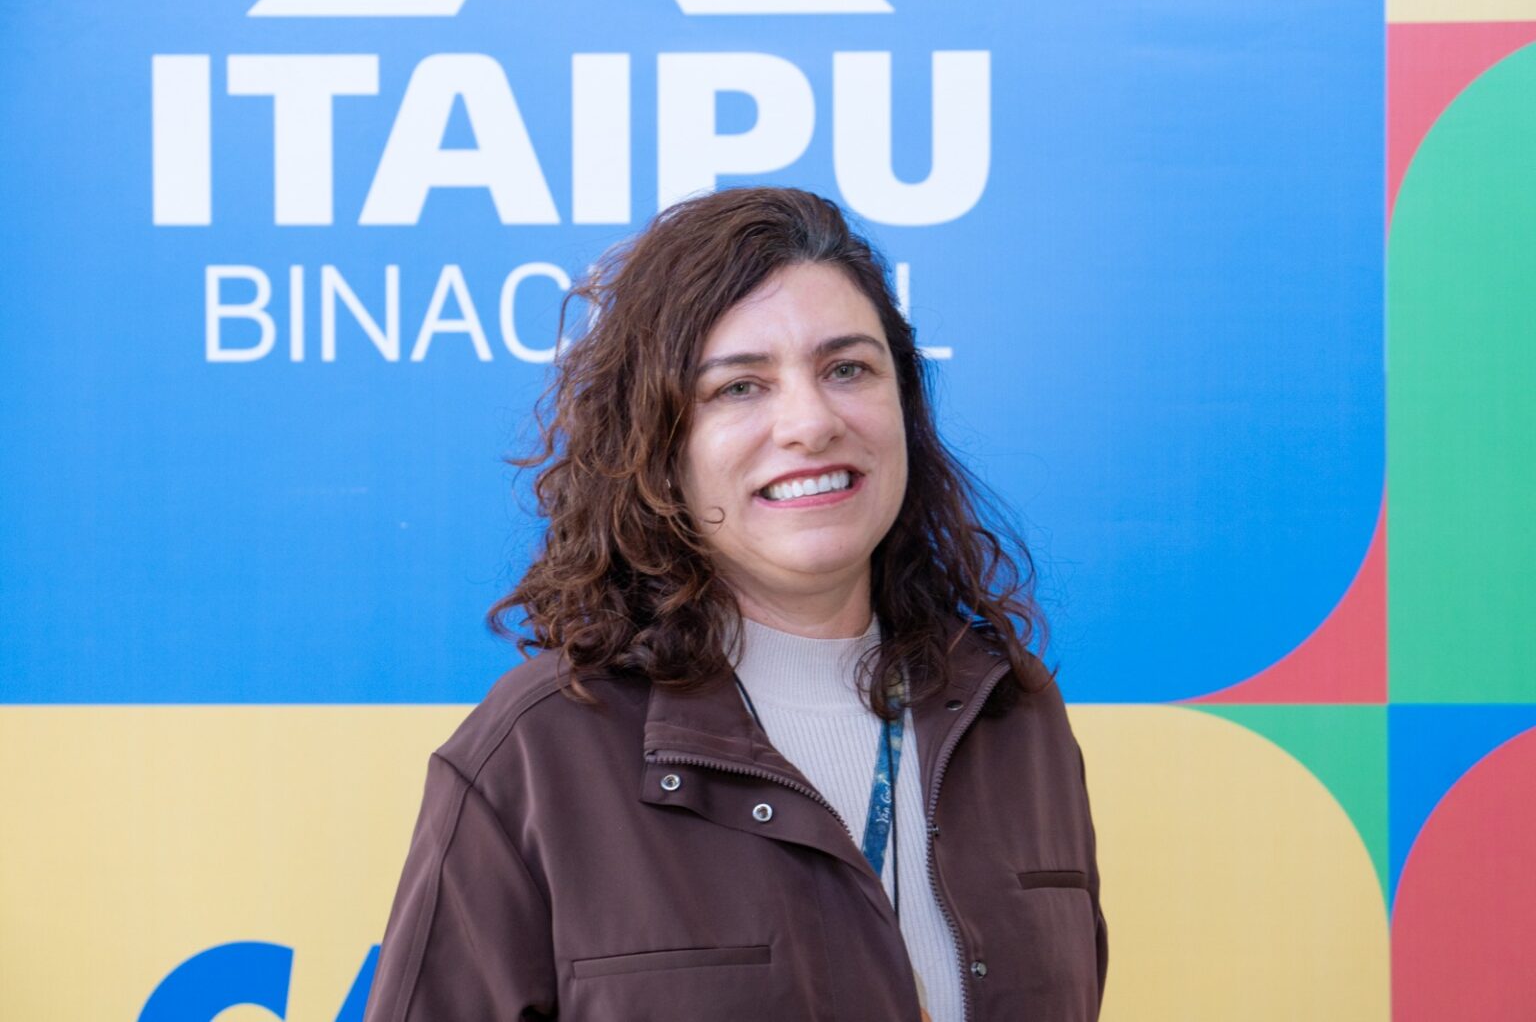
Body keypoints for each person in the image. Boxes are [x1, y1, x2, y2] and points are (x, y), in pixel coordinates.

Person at [362, 187, 1108, 1022]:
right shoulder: (535, 756)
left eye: (847, 369)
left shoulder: (1012, 715)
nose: (810, 423)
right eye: (740, 386)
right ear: (659, 446)